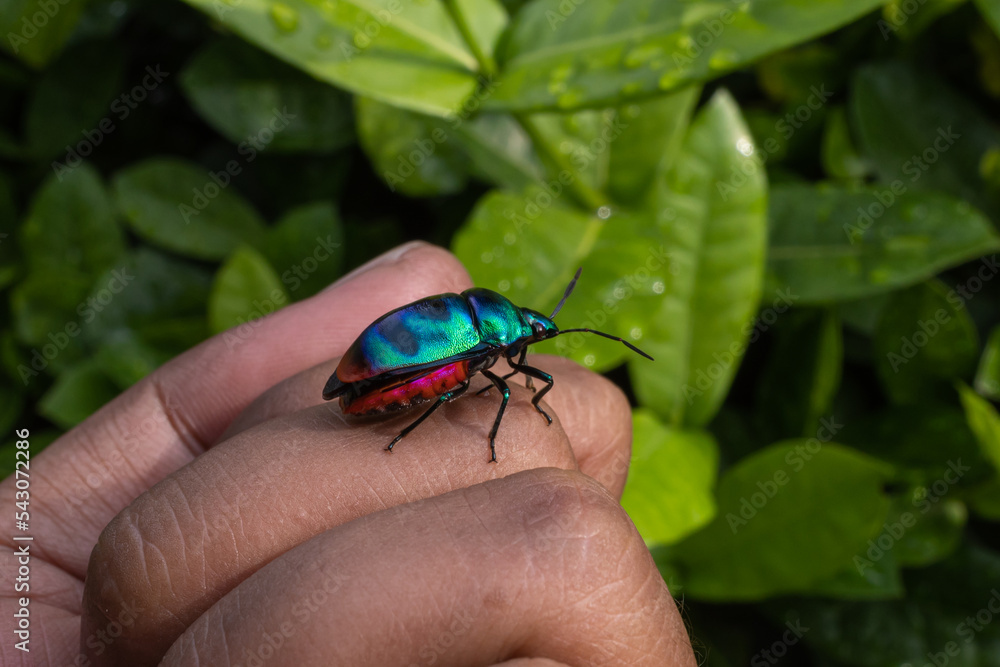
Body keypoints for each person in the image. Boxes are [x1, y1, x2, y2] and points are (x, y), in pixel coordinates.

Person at [1, 242, 696, 666]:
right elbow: (486, 387)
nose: (535, 348)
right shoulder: (499, 348)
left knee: (489, 392)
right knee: (498, 398)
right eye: (536, 334)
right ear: (522, 330)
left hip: (409, 362)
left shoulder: (496, 334)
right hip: (411, 369)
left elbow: (477, 379)